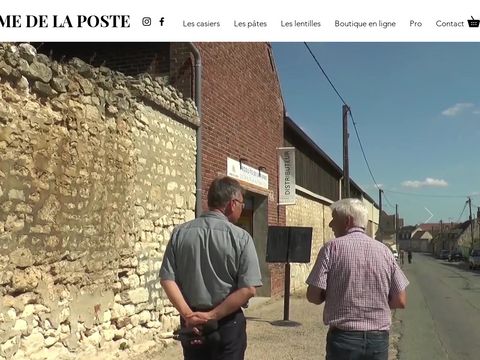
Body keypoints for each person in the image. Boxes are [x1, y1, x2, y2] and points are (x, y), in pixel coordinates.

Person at [160, 176, 262, 360]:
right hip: (227, 324)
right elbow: (248, 289)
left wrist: (188, 315)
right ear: (232, 203)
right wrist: (211, 315)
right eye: (241, 203)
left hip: (192, 325)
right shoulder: (241, 238)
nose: (242, 208)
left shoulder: (180, 233)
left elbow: (168, 279)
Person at [306, 198, 409, 360]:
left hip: (343, 339)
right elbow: (401, 300)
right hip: (378, 340)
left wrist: (331, 295)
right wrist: (375, 302)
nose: (330, 224)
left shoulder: (331, 248)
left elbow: (312, 296)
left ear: (347, 221)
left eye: (334, 219)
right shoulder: (385, 251)